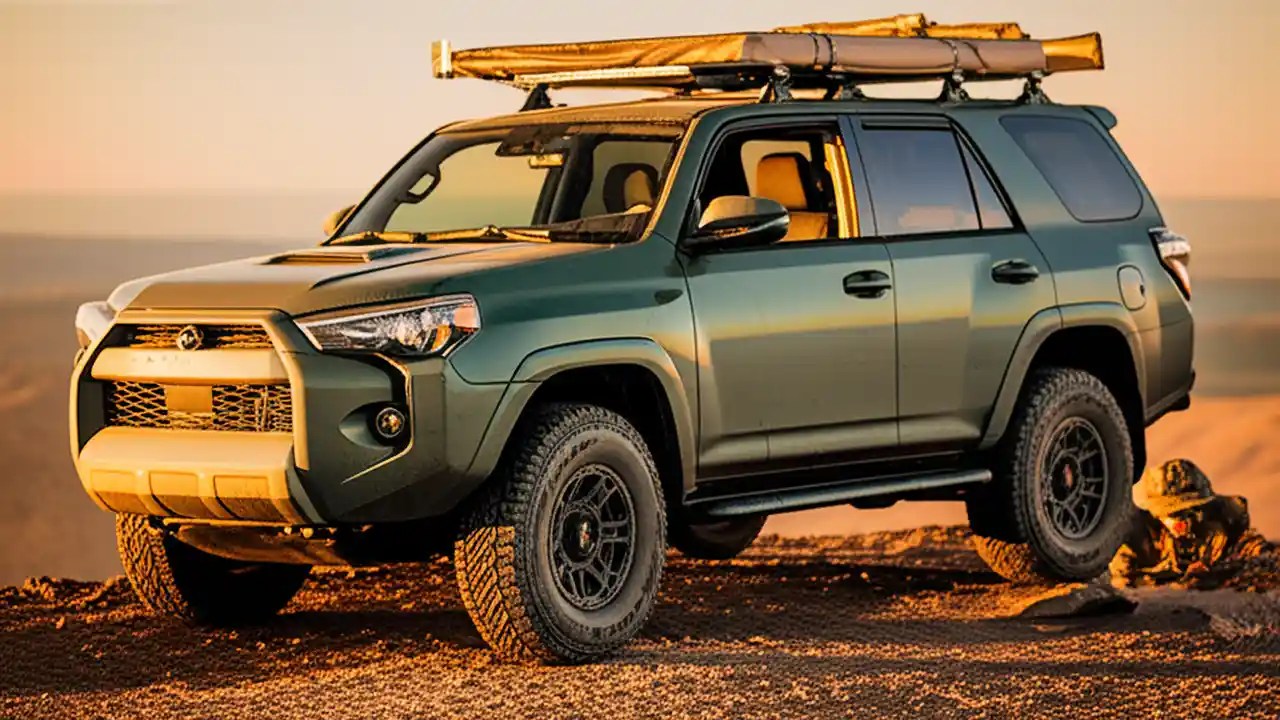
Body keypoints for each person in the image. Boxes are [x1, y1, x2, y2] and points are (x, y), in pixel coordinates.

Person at [1110, 459, 1272, 589]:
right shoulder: (1137, 539)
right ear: (1155, 514)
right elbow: (1122, 583)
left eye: (1192, 512)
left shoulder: (1219, 528)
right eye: (1173, 514)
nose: (1183, 522)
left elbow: (1255, 550)